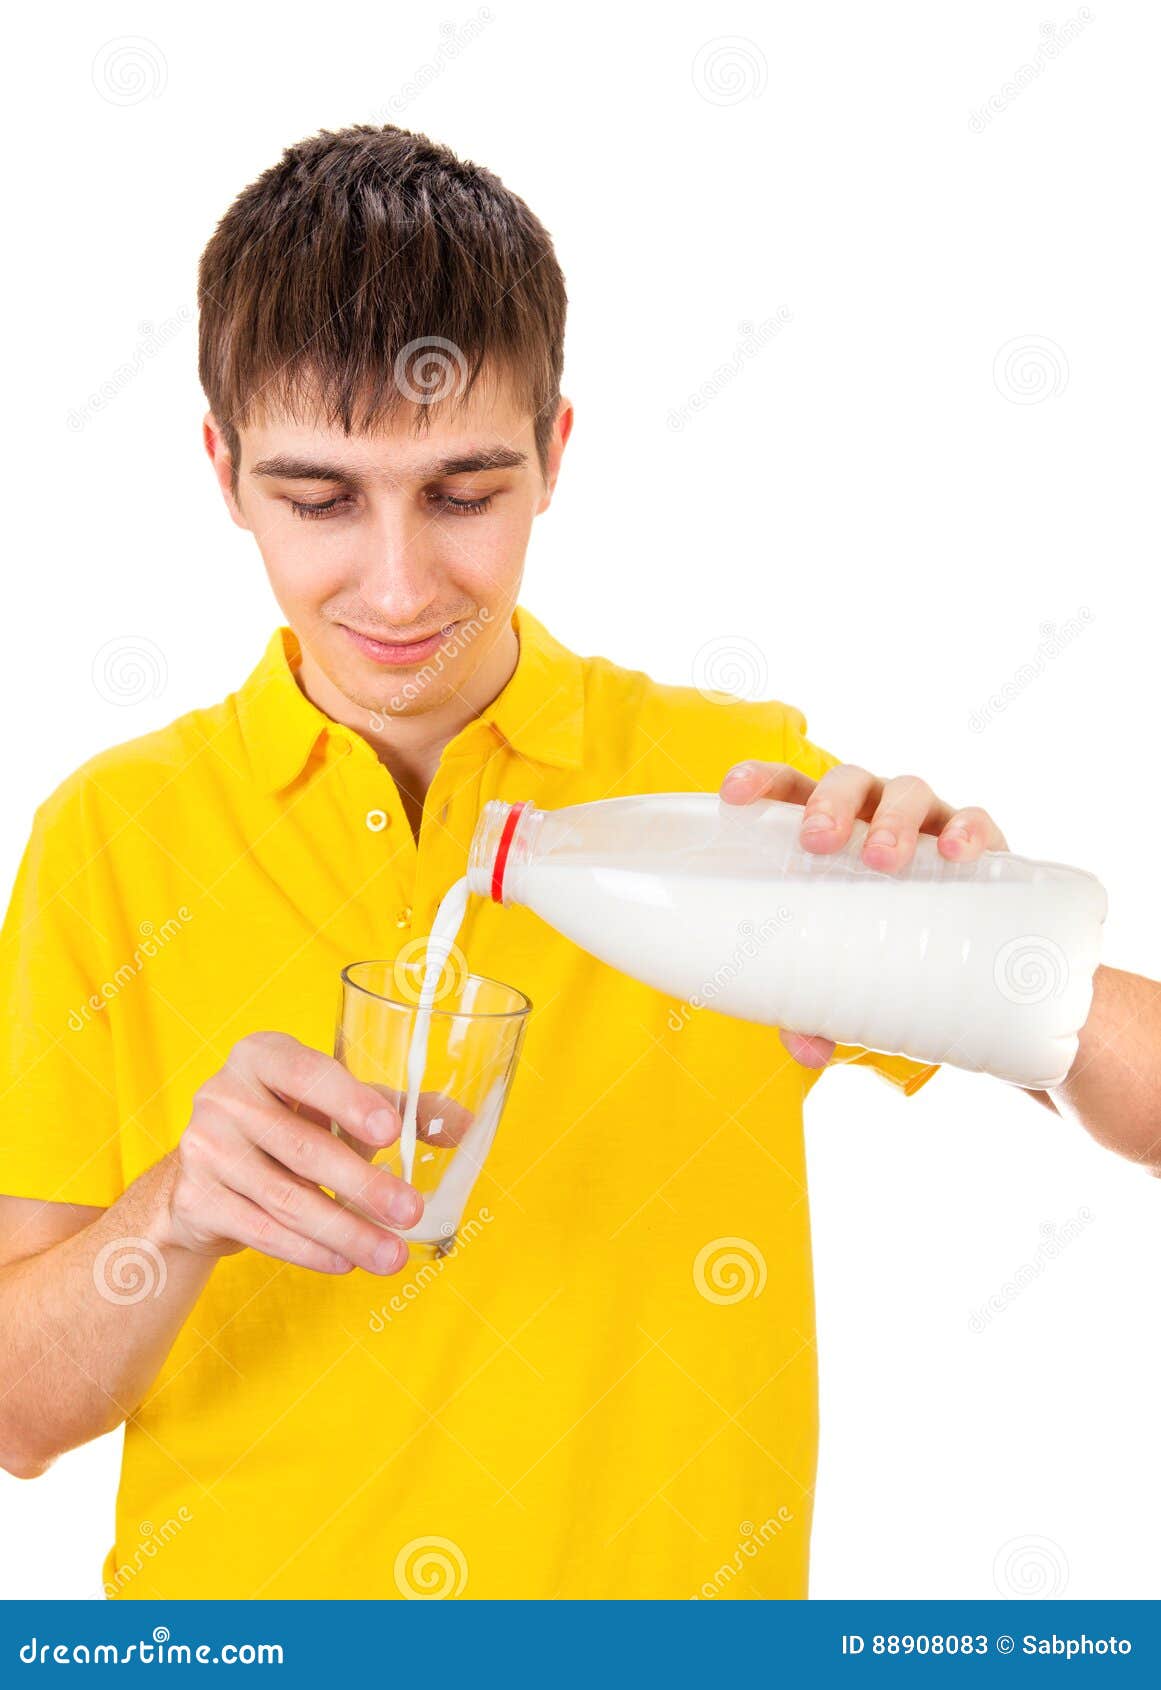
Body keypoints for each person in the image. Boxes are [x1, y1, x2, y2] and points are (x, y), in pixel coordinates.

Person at [0, 123, 1156, 1603]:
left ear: (554, 453)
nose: (402, 584)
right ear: (223, 472)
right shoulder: (111, 831)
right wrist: (179, 1210)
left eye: (464, 492)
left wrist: (975, 955)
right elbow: (23, 1422)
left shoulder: (729, 799)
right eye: (320, 497)